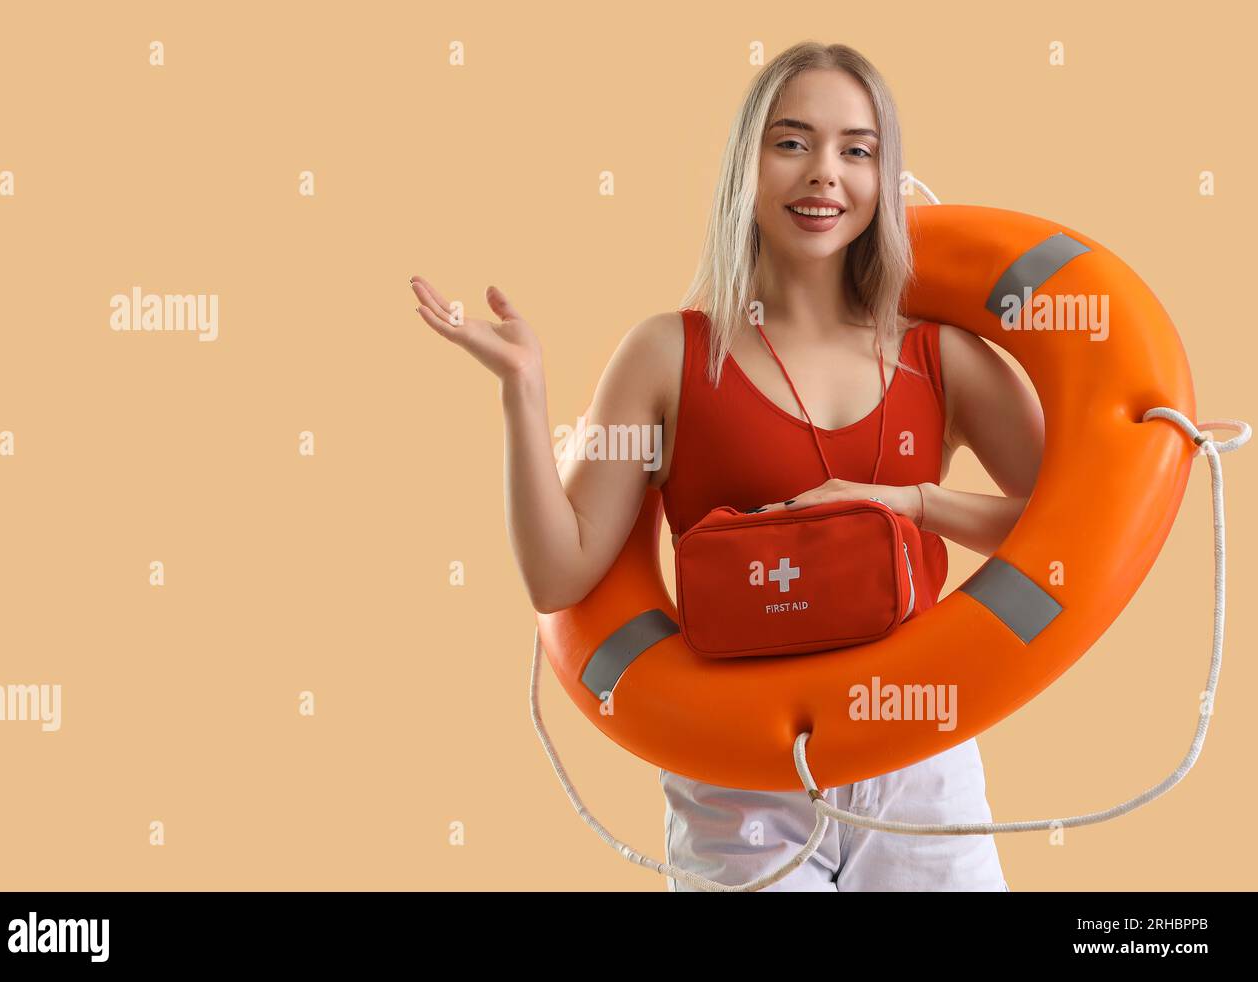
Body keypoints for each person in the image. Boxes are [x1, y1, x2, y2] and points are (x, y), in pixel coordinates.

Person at [411, 40, 1043, 891]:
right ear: (746, 164)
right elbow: (560, 572)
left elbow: (1063, 528)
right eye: (792, 142)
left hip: (917, 753)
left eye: (856, 150)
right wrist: (523, 391)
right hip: (737, 767)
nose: (824, 173)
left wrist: (914, 503)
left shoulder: (944, 359)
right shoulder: (665, 354)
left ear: (882, 177)